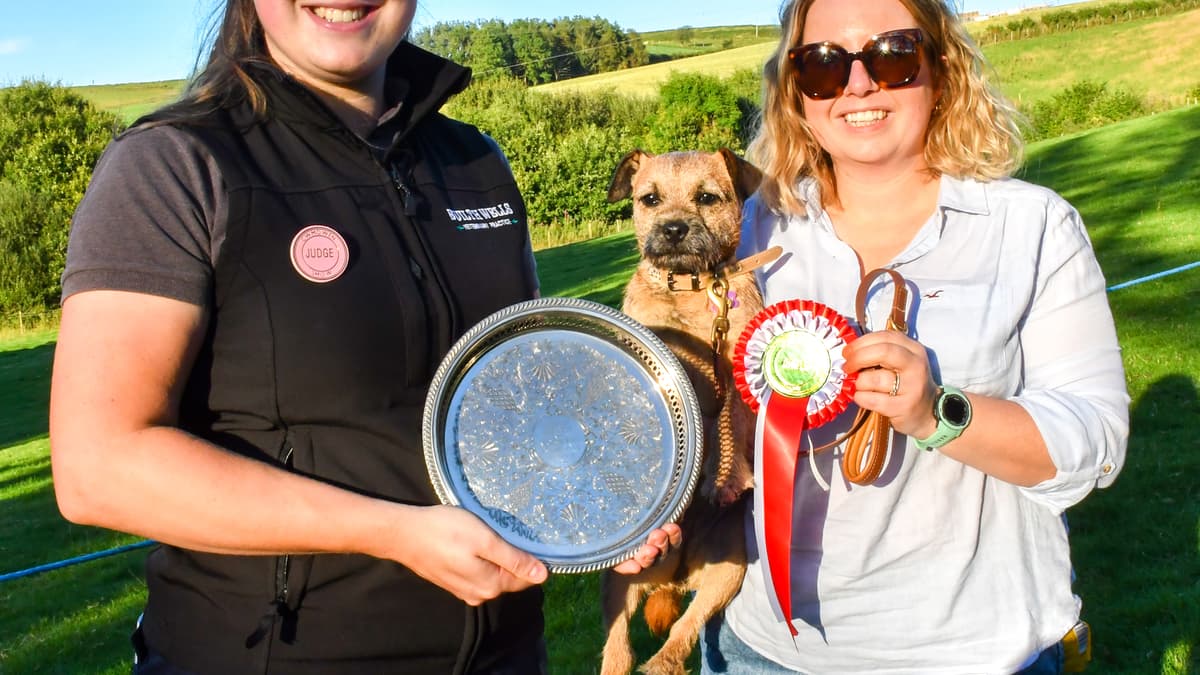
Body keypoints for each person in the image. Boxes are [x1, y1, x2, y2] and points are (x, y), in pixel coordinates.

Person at [48, 1, 678, 673]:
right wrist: (393, 533)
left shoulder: (474, 160)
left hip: (506, 653)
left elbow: (522, 388)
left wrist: (615, 503)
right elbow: (99, 467)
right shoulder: (174, 164)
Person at [701, 0, 1130, 673]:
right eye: (823, 65)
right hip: (766, 647)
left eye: (893, 55)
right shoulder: (748, 230)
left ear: (941, 67)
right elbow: (685, 399)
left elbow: (1094, 444)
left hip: (974, 651)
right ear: (794, 91)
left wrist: (940, 413)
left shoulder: (1032, 227)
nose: (859, 84)